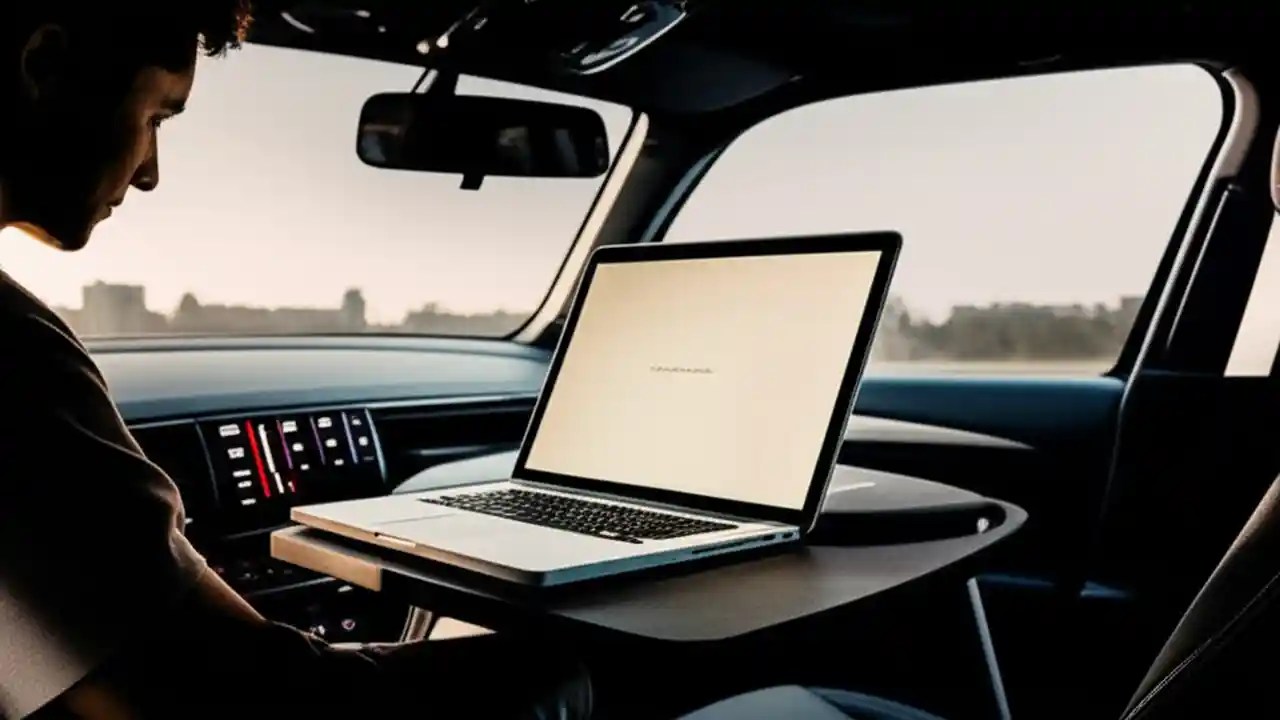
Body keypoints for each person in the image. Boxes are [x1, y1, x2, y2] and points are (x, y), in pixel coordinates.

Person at [0, 3, 593, 719]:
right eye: (157, 117)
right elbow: (245, 699)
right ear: (43, 65)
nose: (152, 172)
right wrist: (568, 671)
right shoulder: (19, 360)